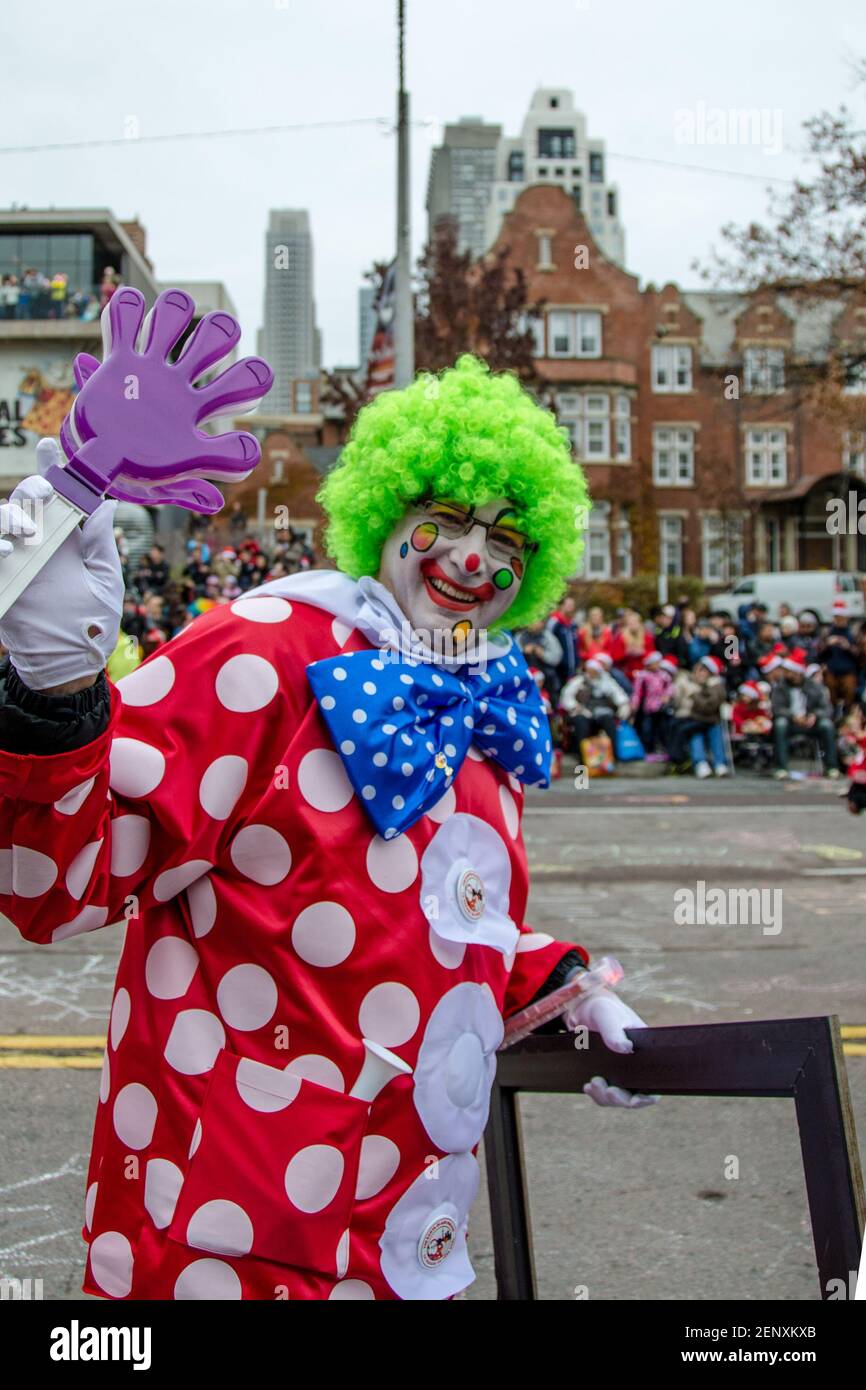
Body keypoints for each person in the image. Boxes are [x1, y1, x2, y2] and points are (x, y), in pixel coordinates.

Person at [0, 348, 656, 1303]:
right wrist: (53, 694)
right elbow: (55, 884)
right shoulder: (268, 650)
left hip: (403, 1241)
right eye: (443, 523)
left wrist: (567, 991)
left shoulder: (481, 711)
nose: (476, 559)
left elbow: (431, 934)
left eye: (508, 538)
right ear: (383, 518)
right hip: (224, 1238)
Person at [771, 657, 840, 779]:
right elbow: (777, 708)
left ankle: (831, 767)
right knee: (780, 724)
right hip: (790, 722)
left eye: (788, 671)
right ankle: (781, 767)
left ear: (797, 672)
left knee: (827, 725)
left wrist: (814, 715)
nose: (785, 674)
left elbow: (826, 708)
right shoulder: (780, 687)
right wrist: (793, 716)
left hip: (811, 722)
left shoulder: (814, 686)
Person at [669, 655, 728, 776]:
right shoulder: (685, 682)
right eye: (698, 669)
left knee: (713, 729)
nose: (699, 672)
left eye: (703, 670)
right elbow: (677, 703)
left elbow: (710, 706)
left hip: (709, 719)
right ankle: (700, 763)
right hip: (690, 719)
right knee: (695, 732)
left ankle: (720, 763)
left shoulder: (715, 685)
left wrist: (695, 696)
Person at [559, 656, 631, 756]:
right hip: (583, 711)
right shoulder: (579, 680)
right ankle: (582, 755)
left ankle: (612, 754)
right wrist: (575, 707)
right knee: (581, 723)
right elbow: (566, 696)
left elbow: (618, 694)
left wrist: (623, 705)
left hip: (602, 712)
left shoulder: (607, 681)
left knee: (609, 722)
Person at [629, 650, 673, 757]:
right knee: (647, 730)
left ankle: (663, 749)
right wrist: (634, 703)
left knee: (662, 729)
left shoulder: (664, 676)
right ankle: (649, 750)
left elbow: (670, 688)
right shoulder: (642, 676)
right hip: (647, 708)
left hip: (661, 708)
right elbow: (637, 692)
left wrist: (667, 696)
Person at [819, 607, 859, 713]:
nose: (838, 620)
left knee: (850, 688)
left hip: (848, 670)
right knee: (830, 687)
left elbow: (858, 654)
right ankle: (833, 711)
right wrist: (827, 644)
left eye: (841, 618)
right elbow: (820, 653)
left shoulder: (852, 634)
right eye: (836, 618)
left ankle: (847, 711)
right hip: (832, 669)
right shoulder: (828, 633)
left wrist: (848, 647)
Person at [609, 609, 654, 684]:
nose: (633, 626)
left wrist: (642, 652)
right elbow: (614, 656)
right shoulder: (620, 637)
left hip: (644, 670)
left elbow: (652, 655)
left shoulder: (647, 637)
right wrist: (626, 653)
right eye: (630, 623)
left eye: (635, 623)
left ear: (640, 623)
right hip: (625, 671)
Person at [548, 595, 578, 688]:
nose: (570, 608)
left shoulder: (573, 624)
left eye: (572, 605)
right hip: (558, 667)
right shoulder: (554, 622)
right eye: (568, 605)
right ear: (562, 606)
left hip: (571, 667)